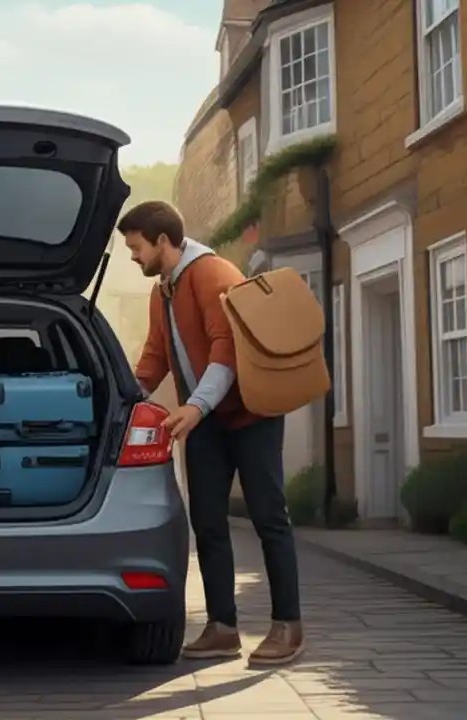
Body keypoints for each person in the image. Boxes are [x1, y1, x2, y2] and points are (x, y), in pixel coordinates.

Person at [119, 200, 304, 666]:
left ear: (163, 241)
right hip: (205, 422)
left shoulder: (213, 274)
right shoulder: (163, 290)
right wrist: (124, 398)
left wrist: (195, 407)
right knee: (207, 522)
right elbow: (155, 355)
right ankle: (223, 627)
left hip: (249, 416)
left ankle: (288, 627)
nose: (133, 257)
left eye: (136, 247)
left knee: (269, 518)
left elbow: (227, 350)